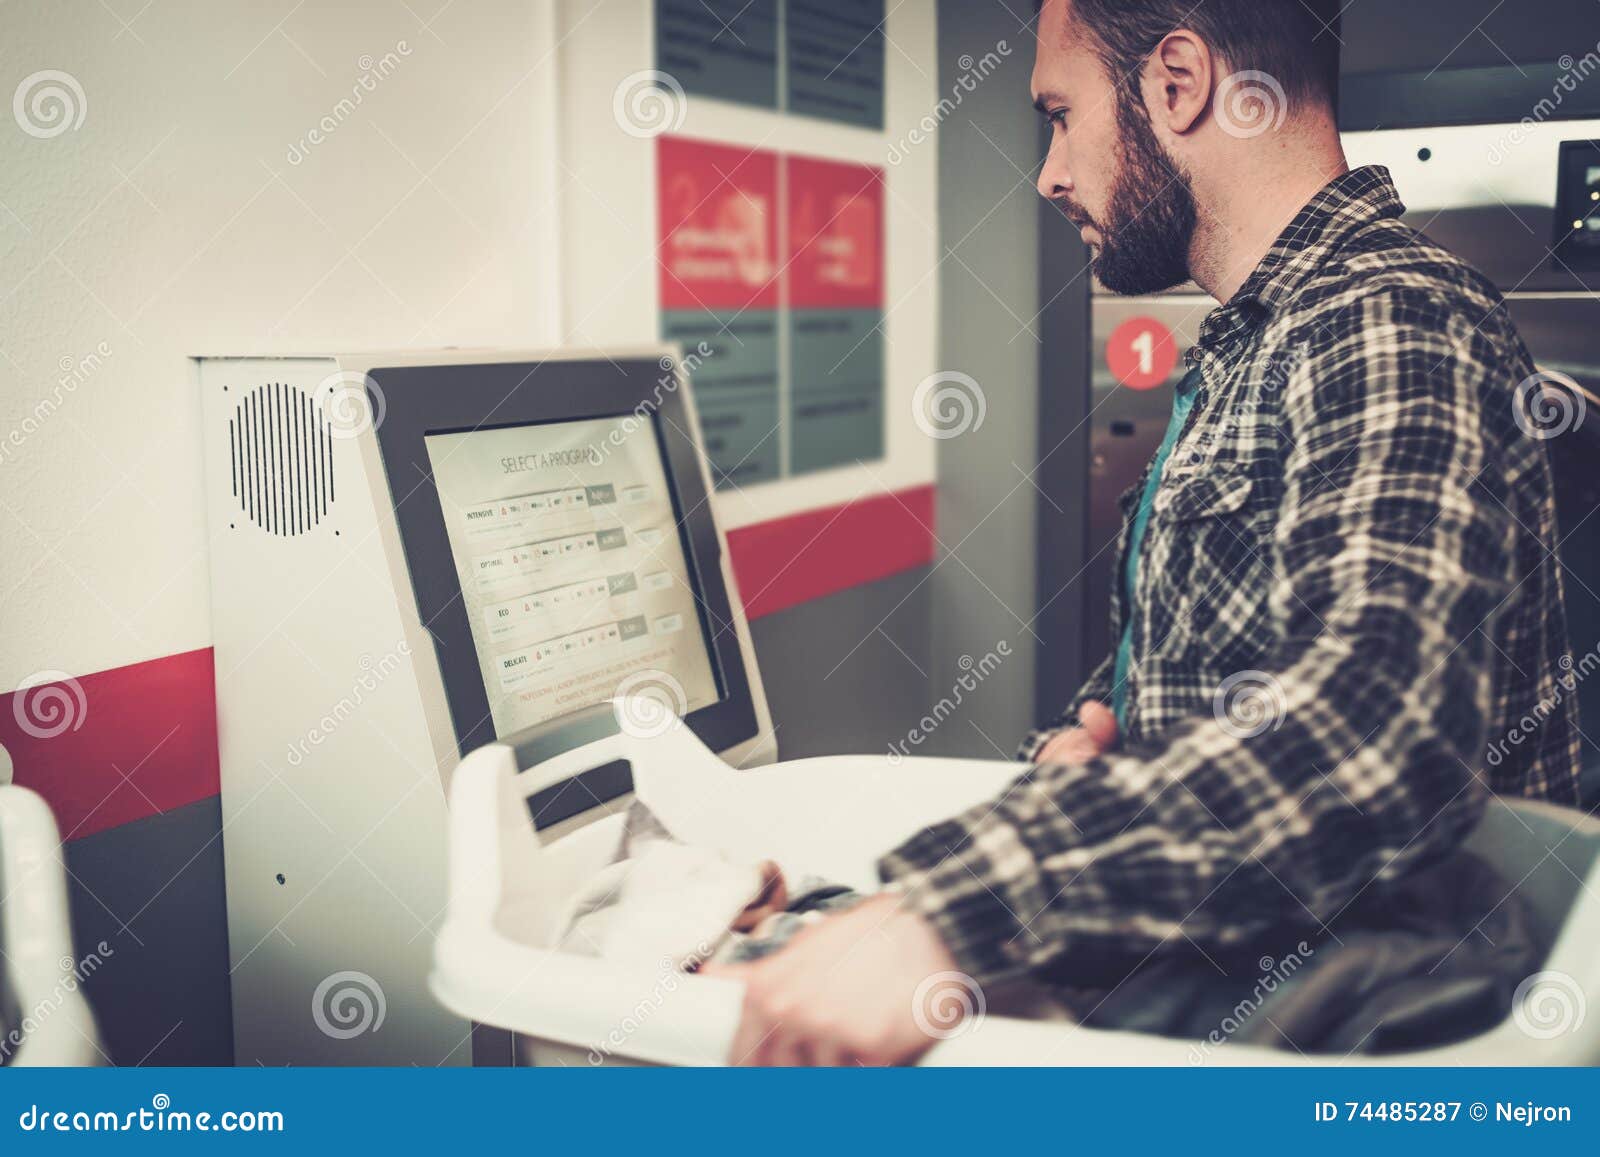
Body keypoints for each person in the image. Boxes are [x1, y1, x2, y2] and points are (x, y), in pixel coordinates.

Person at [701, 0, 1581, 1065]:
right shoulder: (1260, 340)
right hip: (1221, 961)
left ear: (1177, 81)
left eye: (1059, 116)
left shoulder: (1387, 317)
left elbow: (1373, 726)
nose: (1048, 172)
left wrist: (948, 911)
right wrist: (1112, 746)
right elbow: (1254, 684)